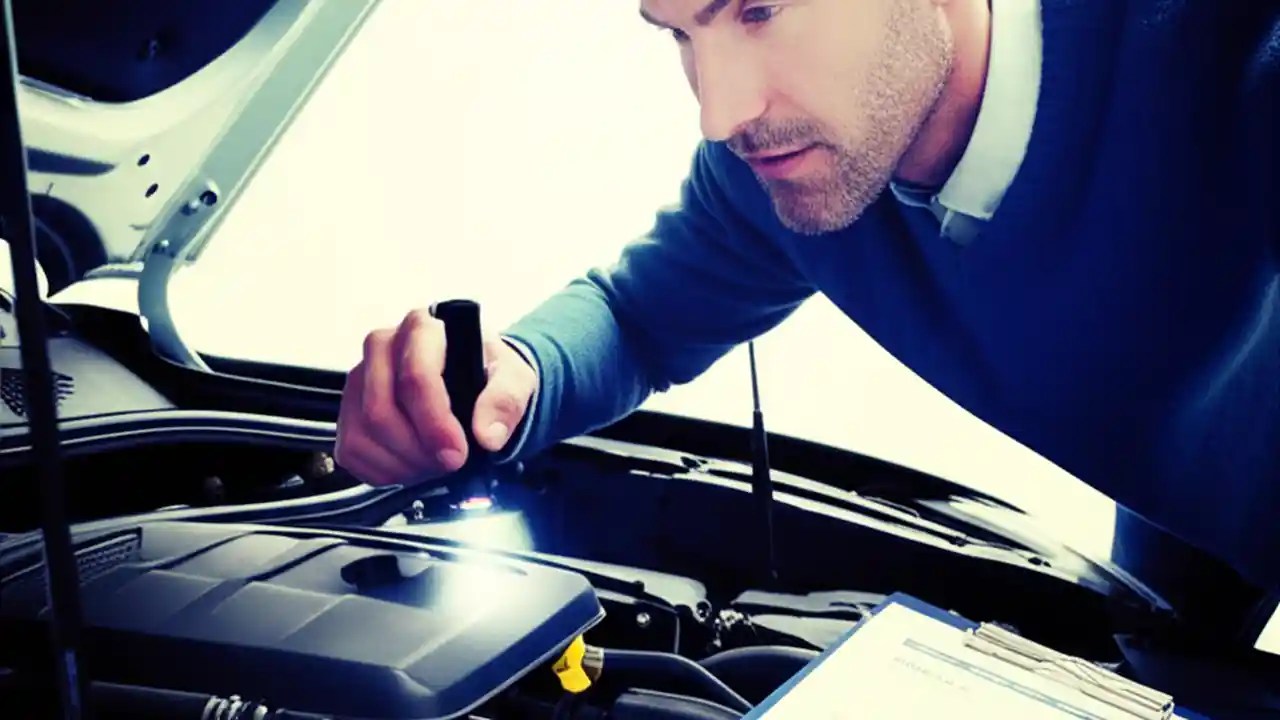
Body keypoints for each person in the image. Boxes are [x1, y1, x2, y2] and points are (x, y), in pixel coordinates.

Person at [335, 0, 1280, 609]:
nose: (720, 112)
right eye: (679, 33)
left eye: (759, 9)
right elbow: (634, 318)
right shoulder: (777, 179)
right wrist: (516, 375)